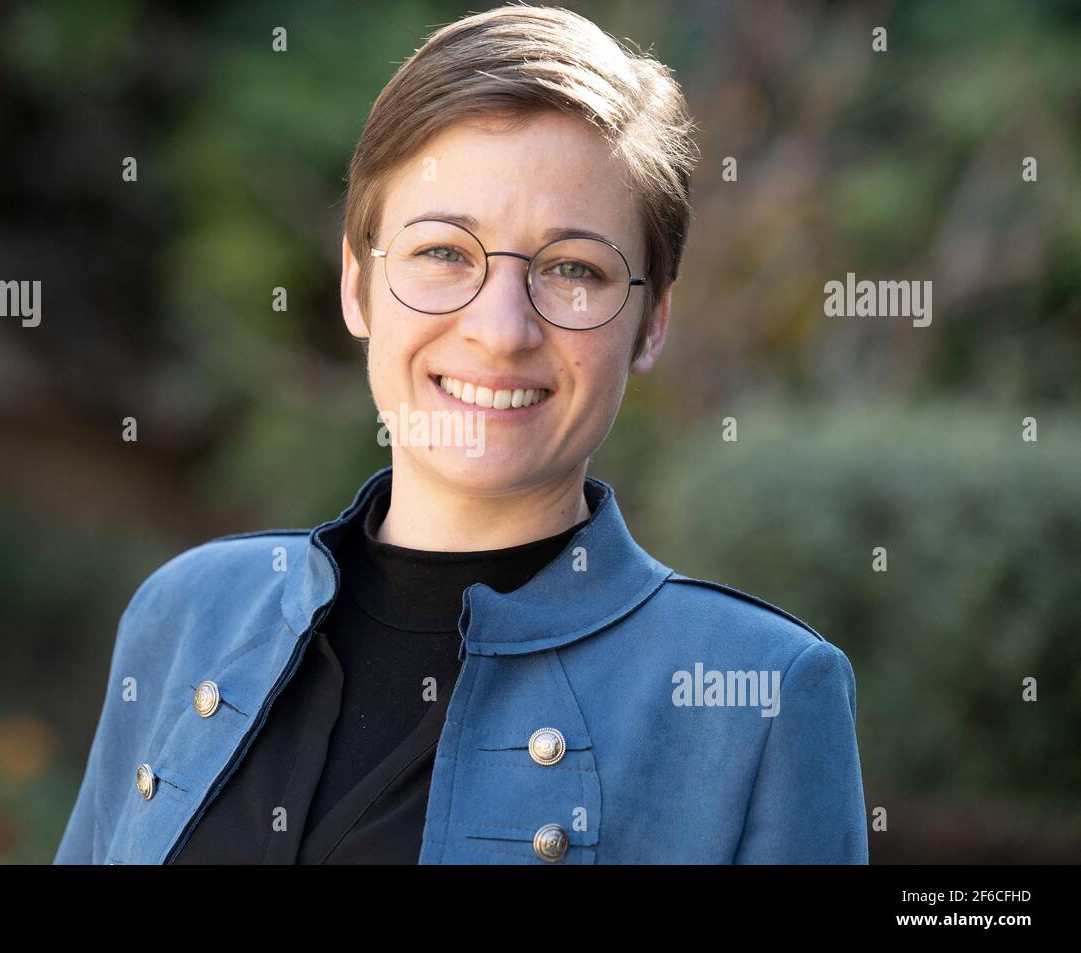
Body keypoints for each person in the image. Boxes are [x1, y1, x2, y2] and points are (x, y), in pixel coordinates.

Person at [54, 5, 867, 865]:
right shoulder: (189, 614)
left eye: (574, 270)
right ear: (358, 285)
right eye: (444, 252)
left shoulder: (763, 699)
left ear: (652, 323)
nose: (501, 329)